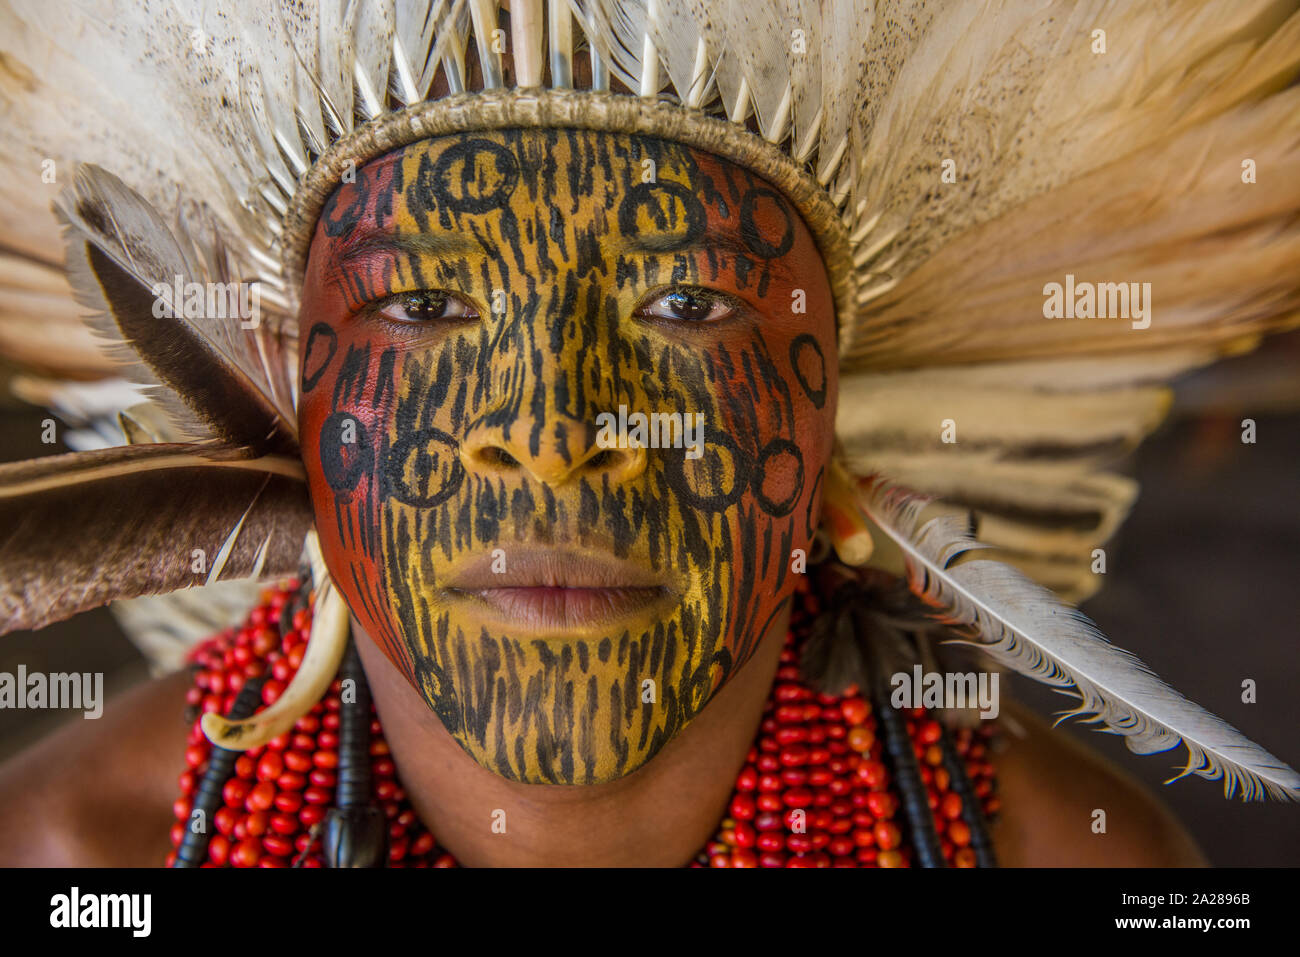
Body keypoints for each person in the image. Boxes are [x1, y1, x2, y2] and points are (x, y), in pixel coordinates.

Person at [0, 0, 1296, 867]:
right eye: (427, 299)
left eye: (687, 301)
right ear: (293, 387)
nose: (556, 436)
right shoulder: (70, 851)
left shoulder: (1063, 851)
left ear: (825, 392)